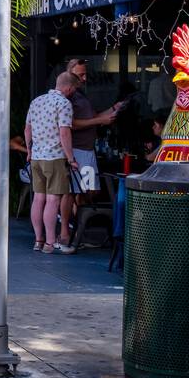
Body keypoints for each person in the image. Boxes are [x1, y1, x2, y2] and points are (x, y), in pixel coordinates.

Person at [62, 58, 126, 242]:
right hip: (77, 148)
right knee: (73, 191)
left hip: (87, 150)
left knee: (88, 190)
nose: (84, 78)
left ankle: (76, 227)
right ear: (69, 74)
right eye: (80, 74)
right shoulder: (69, 96)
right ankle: (66, 230)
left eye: (85, 74)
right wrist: (99, 121)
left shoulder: (81, 95)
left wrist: (113, 109)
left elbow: (93, 117)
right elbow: (70, 124)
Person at [25, 72, 79, 254]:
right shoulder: (64, 103)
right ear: (69, 88)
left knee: (38, 198)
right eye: (74, 89)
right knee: (53, 200)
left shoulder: (36, 101)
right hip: (55, 157)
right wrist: (71, 158)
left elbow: (27, 129)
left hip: (37, 157)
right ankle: (49, 242)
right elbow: (64, 133)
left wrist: (29, 150)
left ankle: (38, 240)